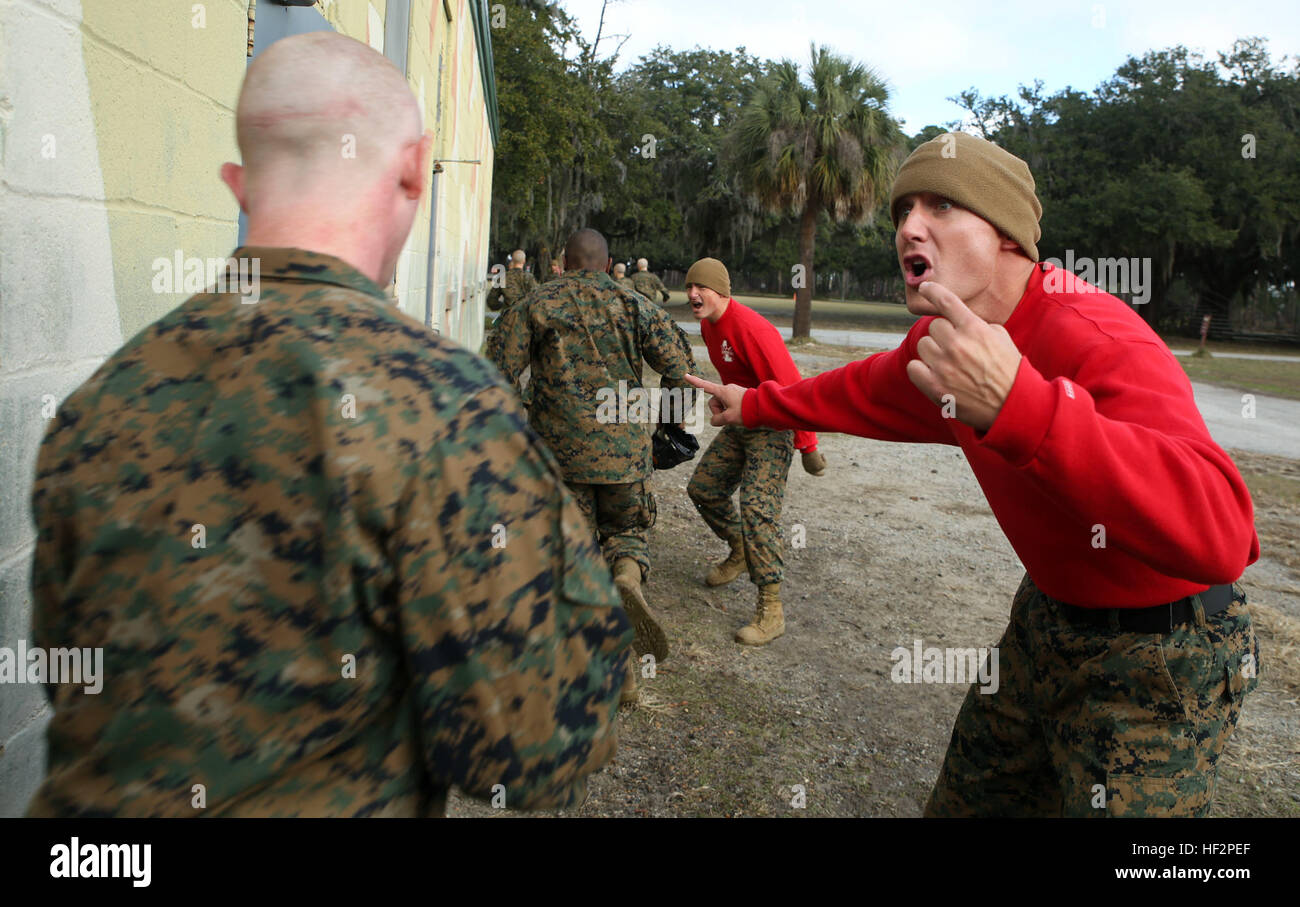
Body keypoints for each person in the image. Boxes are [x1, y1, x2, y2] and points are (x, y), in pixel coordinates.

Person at [25, 31, 631, 818]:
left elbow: (67, 670)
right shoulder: (443, 403)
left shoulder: (95, 403)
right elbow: (535, 749)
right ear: (414, 167)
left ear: (238, 185)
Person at [688, 131, 1261, 816]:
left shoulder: (1096, 334)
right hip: (1045, 618)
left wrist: (1024, 406)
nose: (908, 226)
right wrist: (753, 402)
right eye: (903, 210)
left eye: (941, 205)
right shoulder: (939, 348)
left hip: (1164, 653)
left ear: (1008, 237)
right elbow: (860, 390)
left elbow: (1223, 531)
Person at [489, 229, 697, 703]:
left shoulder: (537, 303)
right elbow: (680, 367)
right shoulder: (635, 304)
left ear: (564, 261)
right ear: (608, 265)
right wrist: (668, 427)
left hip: (559, 457)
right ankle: (625, 576)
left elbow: (495, 372)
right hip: (625, 454)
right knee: (626, 533)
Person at [683, 258, 825, 646]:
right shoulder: (709, 324)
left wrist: (808, 445)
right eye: (690, 287)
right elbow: (736, 380)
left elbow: (792, 385)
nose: (694, 294)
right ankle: (740, 549)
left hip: (773, 426)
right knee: (703, 489)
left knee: (758, 510)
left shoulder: (750, 328)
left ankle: (771, 609)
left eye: (703, 288)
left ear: (722, 291)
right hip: (743, 420)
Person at [486, 249, 538, 313]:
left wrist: (502, 306)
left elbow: (491, 301)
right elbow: (537, 298)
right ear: (524, 261)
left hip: (508, 316)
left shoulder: (502, 277)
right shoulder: (530, 278)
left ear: (512, 260)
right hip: (526, 317)